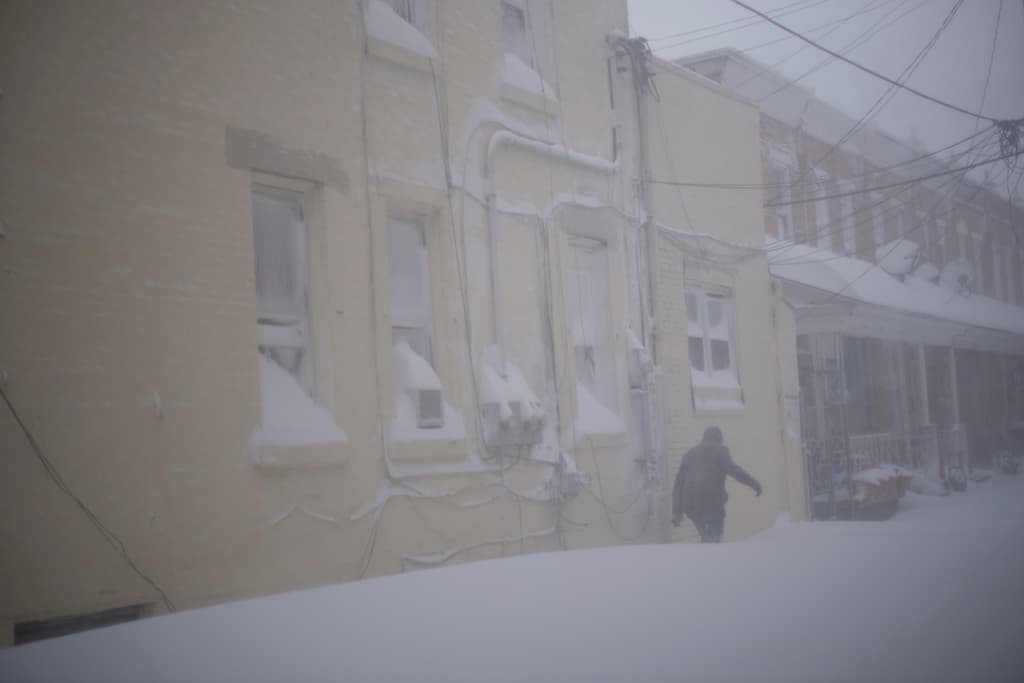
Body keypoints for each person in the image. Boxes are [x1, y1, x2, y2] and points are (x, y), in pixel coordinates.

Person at [672, 426, 762, 543]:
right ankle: (711, 555)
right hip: (711, 503)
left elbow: (678, 484)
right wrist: (754, 484)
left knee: (707, 537)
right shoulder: (720, 450)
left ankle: (707, 551)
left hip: (690, 505)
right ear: (719, 439)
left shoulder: (689, 454)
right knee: (713, 541)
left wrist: (676, 513)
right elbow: (733, 469)